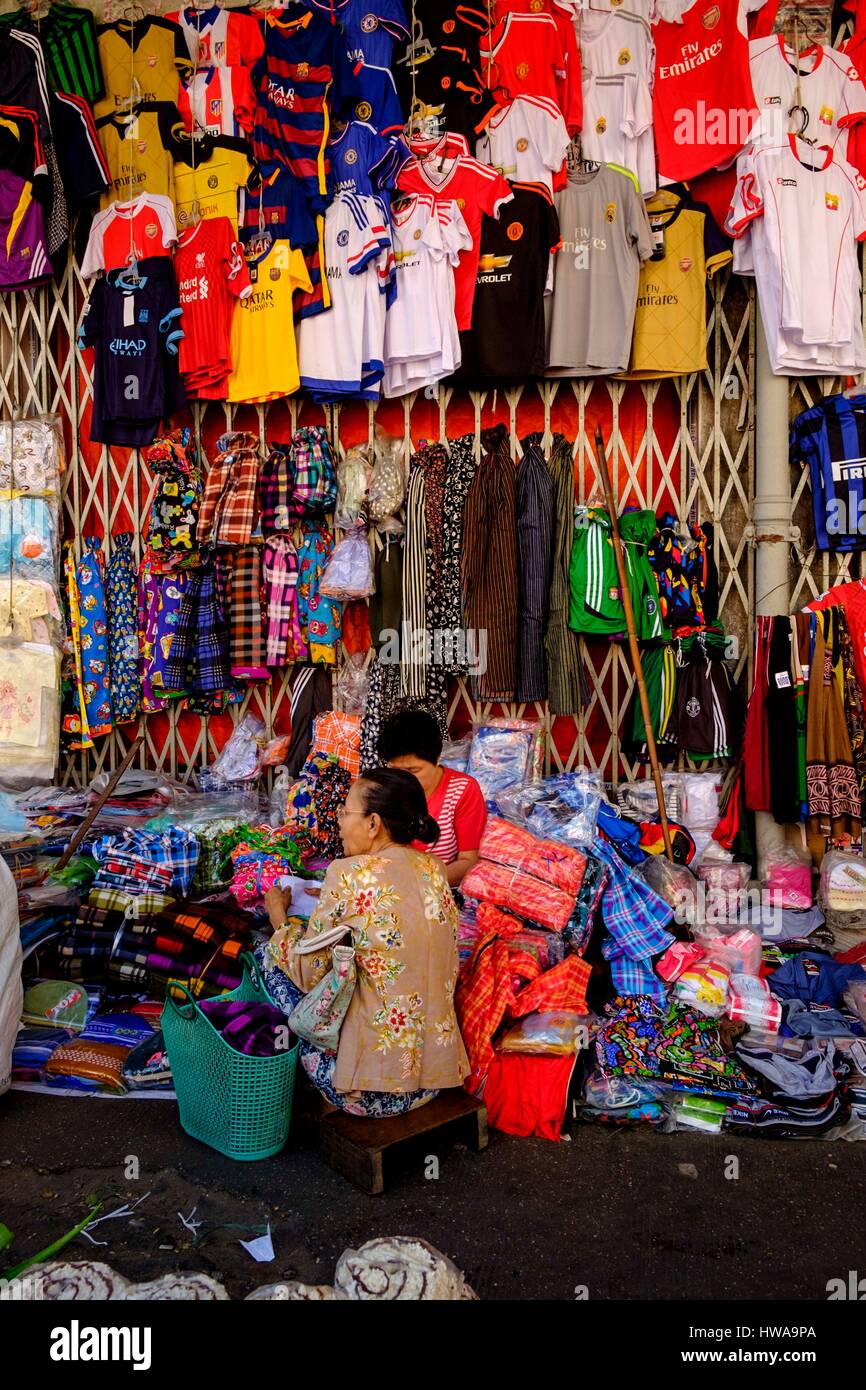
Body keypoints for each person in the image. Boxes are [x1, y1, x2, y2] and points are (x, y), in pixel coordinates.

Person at [261, 768, 470, 1117]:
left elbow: (308, 972)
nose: (340, 823)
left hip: (370, 1095)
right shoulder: (433, 868)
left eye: (345, 812)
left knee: (268, 957)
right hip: (434, 1082)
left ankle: (271, 1100)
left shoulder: (347, 872)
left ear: (373, 823)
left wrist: (277, 918)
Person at [377, 708, 487, 887]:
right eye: (395, 770)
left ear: (436, 759)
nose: (404, 779)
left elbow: (469, 862)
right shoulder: (381, 788)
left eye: (413, 771)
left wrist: (418, 882)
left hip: (436, 894)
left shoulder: (463, 790)